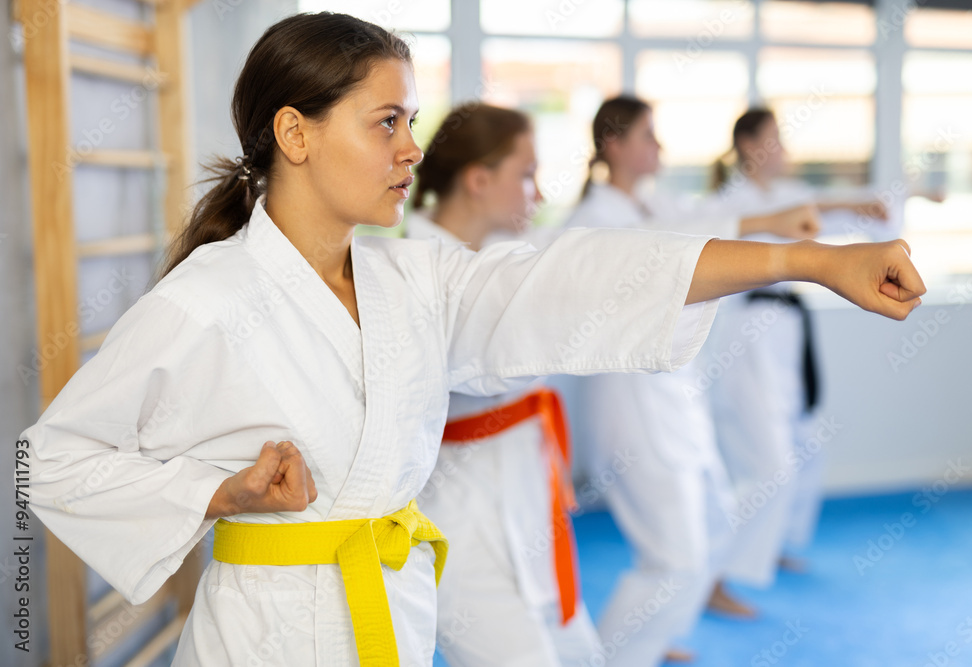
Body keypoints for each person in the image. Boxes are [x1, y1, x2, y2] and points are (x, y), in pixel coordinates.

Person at [19, 12, 925, 667]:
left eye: (411, 120)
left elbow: (577, 277)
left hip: (397, 612)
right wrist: (216, 491)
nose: (413, 147)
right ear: (293, 133)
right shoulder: (208, 298)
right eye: (387, 122)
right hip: (268, 635)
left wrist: (810, 259)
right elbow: (48, 462)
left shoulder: (417, 277)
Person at [563, 95, 822, 666]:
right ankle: (614, 656)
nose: (660, 146)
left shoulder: (656, 204)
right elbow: (667, 250)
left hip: (676, 394)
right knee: (672, 554)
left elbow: (699, 225)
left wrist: (776, 223)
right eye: (648, 135)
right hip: (631, 402)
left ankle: (655, 638)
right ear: (614, 145)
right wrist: (774, 228)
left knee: (712, 523)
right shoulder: (595, 219)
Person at [406, 102, 601, 666]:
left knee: (582, 656)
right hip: (457, 516)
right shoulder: (411, 266)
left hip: (526, 496)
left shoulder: (502, 257)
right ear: (478, 179)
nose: (536, 193)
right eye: (525, 173)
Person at [706, 108, 895, 596]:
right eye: (775, 139)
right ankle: (720, 571)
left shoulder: (790, 197)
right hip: (748, 334)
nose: (785, 148)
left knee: (804, 443)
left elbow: (826, 208)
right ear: (748, 146)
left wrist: (874, 206)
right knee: (769, 461)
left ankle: (776, 543)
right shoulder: (731, 202)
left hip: (789, 328)